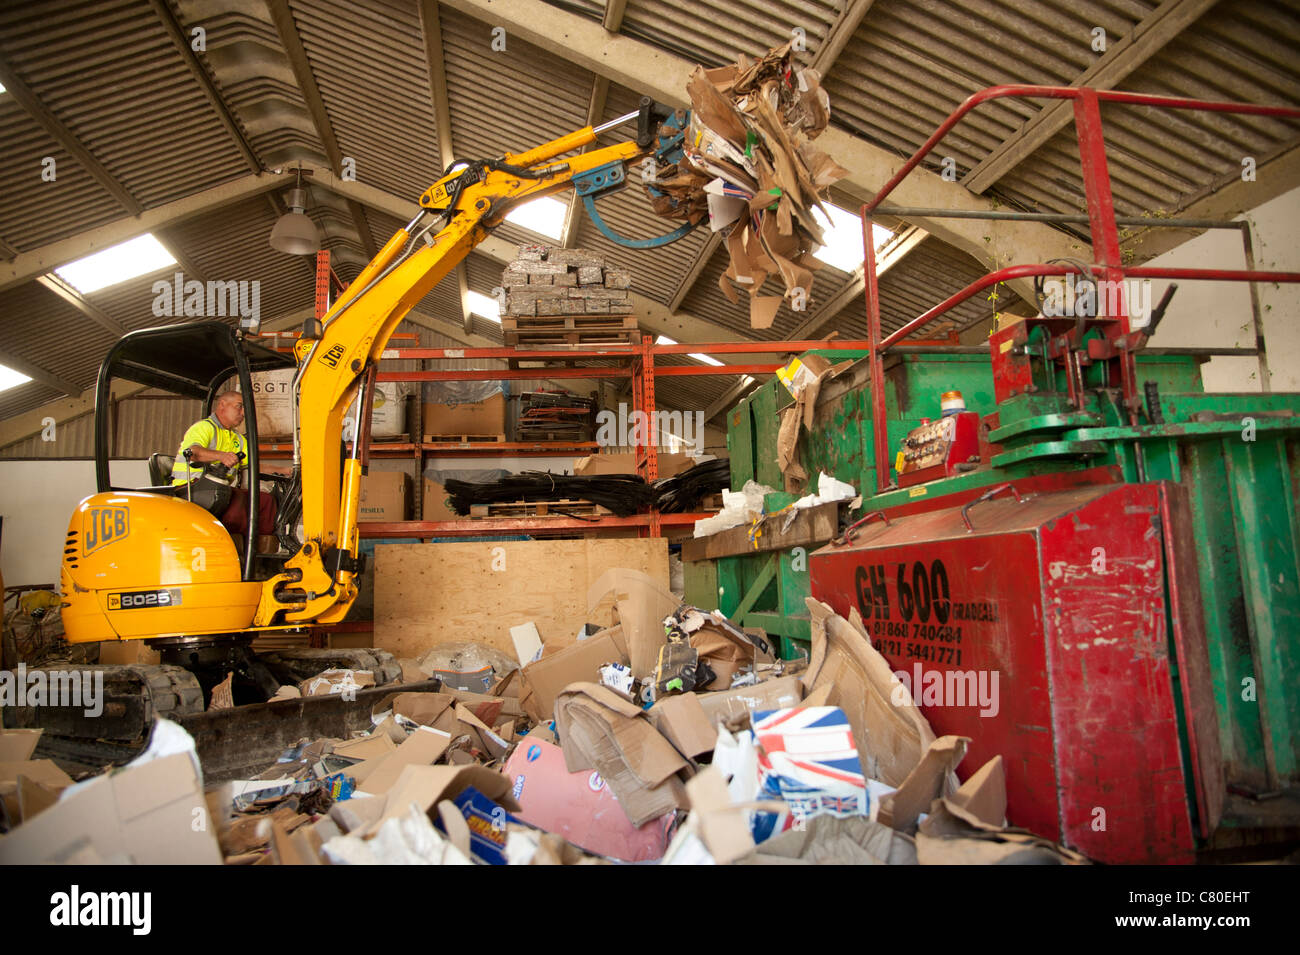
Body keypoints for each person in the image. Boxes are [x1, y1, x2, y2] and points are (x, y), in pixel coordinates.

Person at [173, 391, 277, 542]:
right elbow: (193, 452)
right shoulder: (203, 427)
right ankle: (231, 544)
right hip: (191, 488)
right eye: (239, 407)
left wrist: (287, 470)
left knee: (265, 501)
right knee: (237, 501)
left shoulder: (238, 439)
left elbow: (254, 467)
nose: (243, 413)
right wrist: (221, 455)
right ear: (222, 405)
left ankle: (259, 553)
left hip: (218, 490)